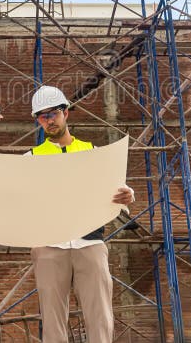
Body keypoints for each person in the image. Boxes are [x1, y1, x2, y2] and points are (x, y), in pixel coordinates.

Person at [28, 85, 134, 343]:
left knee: (100, 316)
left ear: (66, 113)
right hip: (49, 245)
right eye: (42, 116)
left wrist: (128, 194)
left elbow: (116, 189)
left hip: (90, 243)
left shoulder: (93, 153)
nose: (49, 120)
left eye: (53, 113)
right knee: (52, 321)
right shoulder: (29, 159)